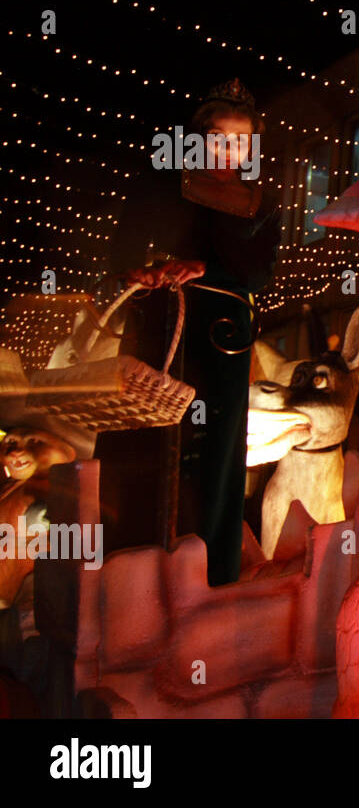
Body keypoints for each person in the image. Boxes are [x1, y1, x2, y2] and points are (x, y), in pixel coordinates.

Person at [101, 79, 280, 585]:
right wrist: (143, 271)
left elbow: (261, 272)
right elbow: (125, 249)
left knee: (217, 445)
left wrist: (206, 268)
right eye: (221, 137)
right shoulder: (163, 186)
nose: (230, 149)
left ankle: (210, 571)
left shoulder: (261, 202)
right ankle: (131, 564)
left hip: (224, 336)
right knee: (149, 431)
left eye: (240, 140)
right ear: (200, 137)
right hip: (165, 327)